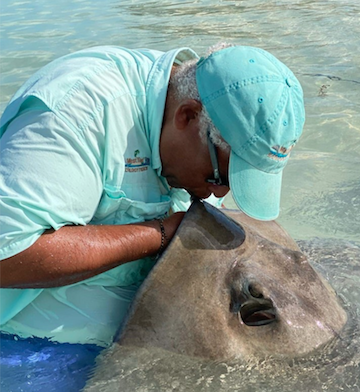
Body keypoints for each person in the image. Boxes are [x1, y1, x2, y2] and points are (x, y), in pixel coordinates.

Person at [0, 43, 306, 347]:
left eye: (237, 183)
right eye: (218, 178)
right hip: (27, 342)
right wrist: (159, 234)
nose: (218, 194)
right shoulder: (76, 115)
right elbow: (7, 254)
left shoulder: (203, 110)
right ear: (187, 116)